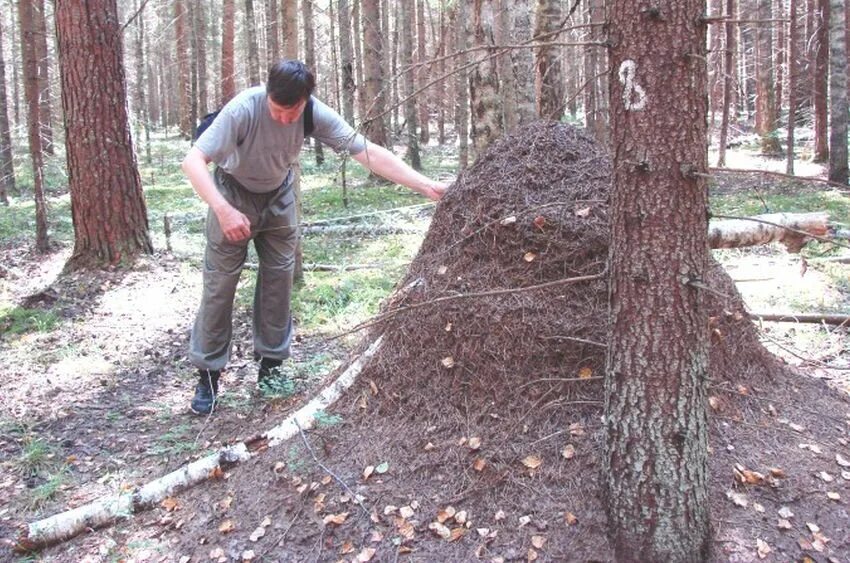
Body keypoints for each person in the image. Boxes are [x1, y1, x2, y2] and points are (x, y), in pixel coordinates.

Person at [181, 60, 447, 415]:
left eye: (293, 112)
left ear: (306, 100)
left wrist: (425, 185)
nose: (285, 120)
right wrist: (223, 209)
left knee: (279, 280)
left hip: (279, 195)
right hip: (232, 193)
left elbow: (366, 152)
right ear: (268, 95)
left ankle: (271, 369)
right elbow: (193, 161)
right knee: (220, 285)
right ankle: (208, 376)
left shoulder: (313, 112)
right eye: (278, 110)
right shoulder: (244, 108)